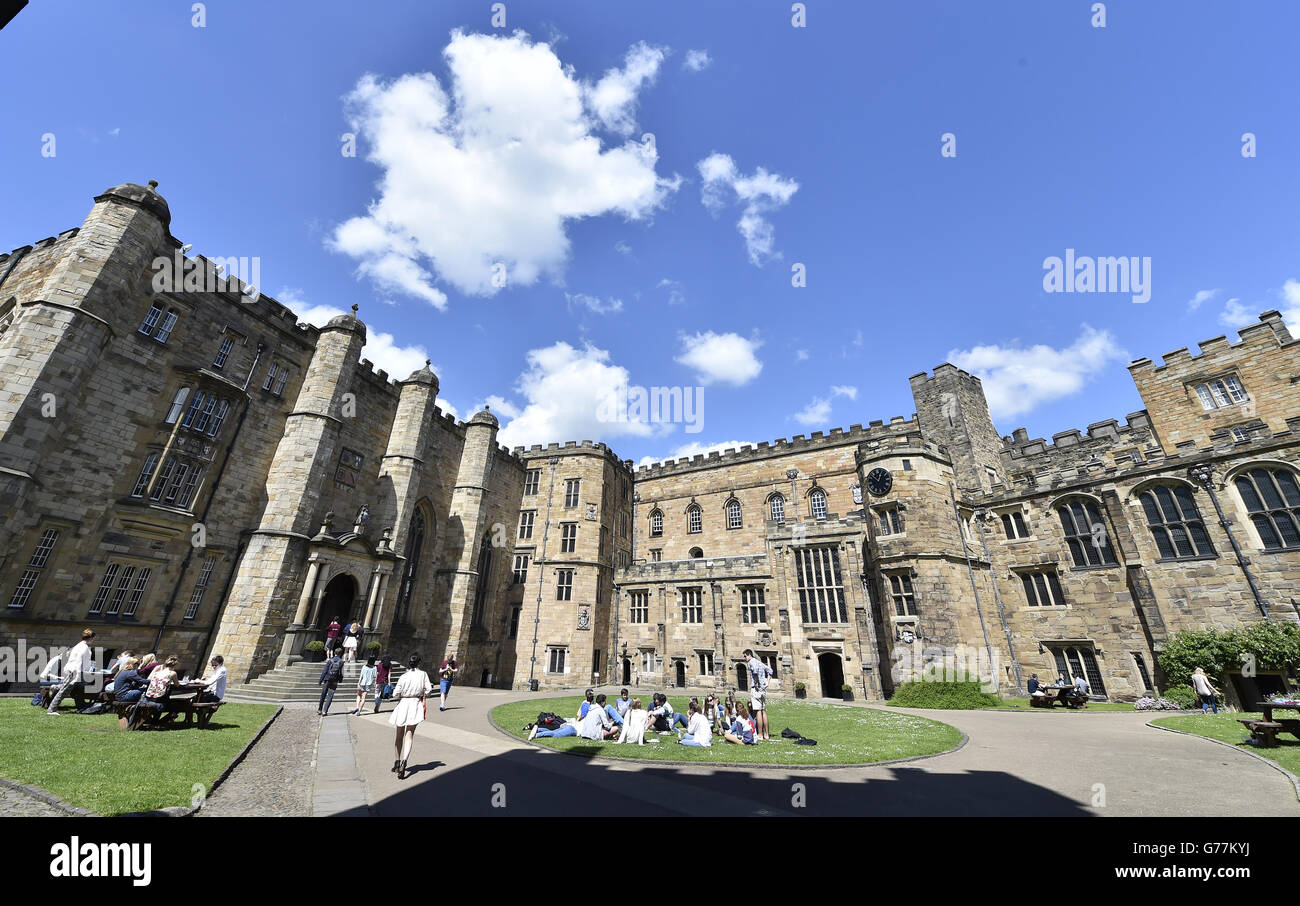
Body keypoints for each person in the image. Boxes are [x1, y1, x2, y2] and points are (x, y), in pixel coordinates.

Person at [388, 654, 434, 780]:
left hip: (403, 703)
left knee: (399, 735)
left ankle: (397, 762)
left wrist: (400, 696)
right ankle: (404, 761)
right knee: (409, 735)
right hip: (415, 703)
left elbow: (395, 693)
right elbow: (429, 690)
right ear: (419, 663)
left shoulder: (403, 676)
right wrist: (423, 694)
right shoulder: (423, 674)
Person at [47, 629, 95, 715]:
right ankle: (51, 710)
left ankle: (81, 706)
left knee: (78, 689)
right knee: (64, 691)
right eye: (93, 638)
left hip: (73, 670)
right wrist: (78, 674)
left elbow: (69, 655)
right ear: (91, 638)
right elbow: (79, 660)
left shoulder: (78, 645)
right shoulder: (84, 647)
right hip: (75, 671)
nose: (94, 640)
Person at [129, 655, 179, 730]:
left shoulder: (157, 673)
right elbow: (177, 685)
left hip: (148, 697)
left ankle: (158, 720)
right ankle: (156, 722)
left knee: (168, 701)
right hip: (159, 699)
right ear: (174, 665)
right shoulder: (172, 673)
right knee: (175, 705)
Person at [744, 649, 773, 741]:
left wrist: (756, 683)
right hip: (763, 689)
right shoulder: (760, 662)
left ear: (749, 655)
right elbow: (770, 671)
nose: (745, 658)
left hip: (756, 689)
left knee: (758, 711)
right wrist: (767, 682)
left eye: (745, 656)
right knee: (763, 711)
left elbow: (755, 671)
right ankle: (767, 734)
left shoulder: (752, 662)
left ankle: (760, 734)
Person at [318, 648, 345, 716]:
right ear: (340, 654)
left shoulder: (330, 660)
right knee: (330, 695)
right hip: (335, 680)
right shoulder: (341, 662)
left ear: (334, 653)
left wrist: (320, 680)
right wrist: (340, 680)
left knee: (323, 694)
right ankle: (325, 711)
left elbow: (325, 671)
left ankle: (319, 709)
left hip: (327, 678)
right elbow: (341, 672)